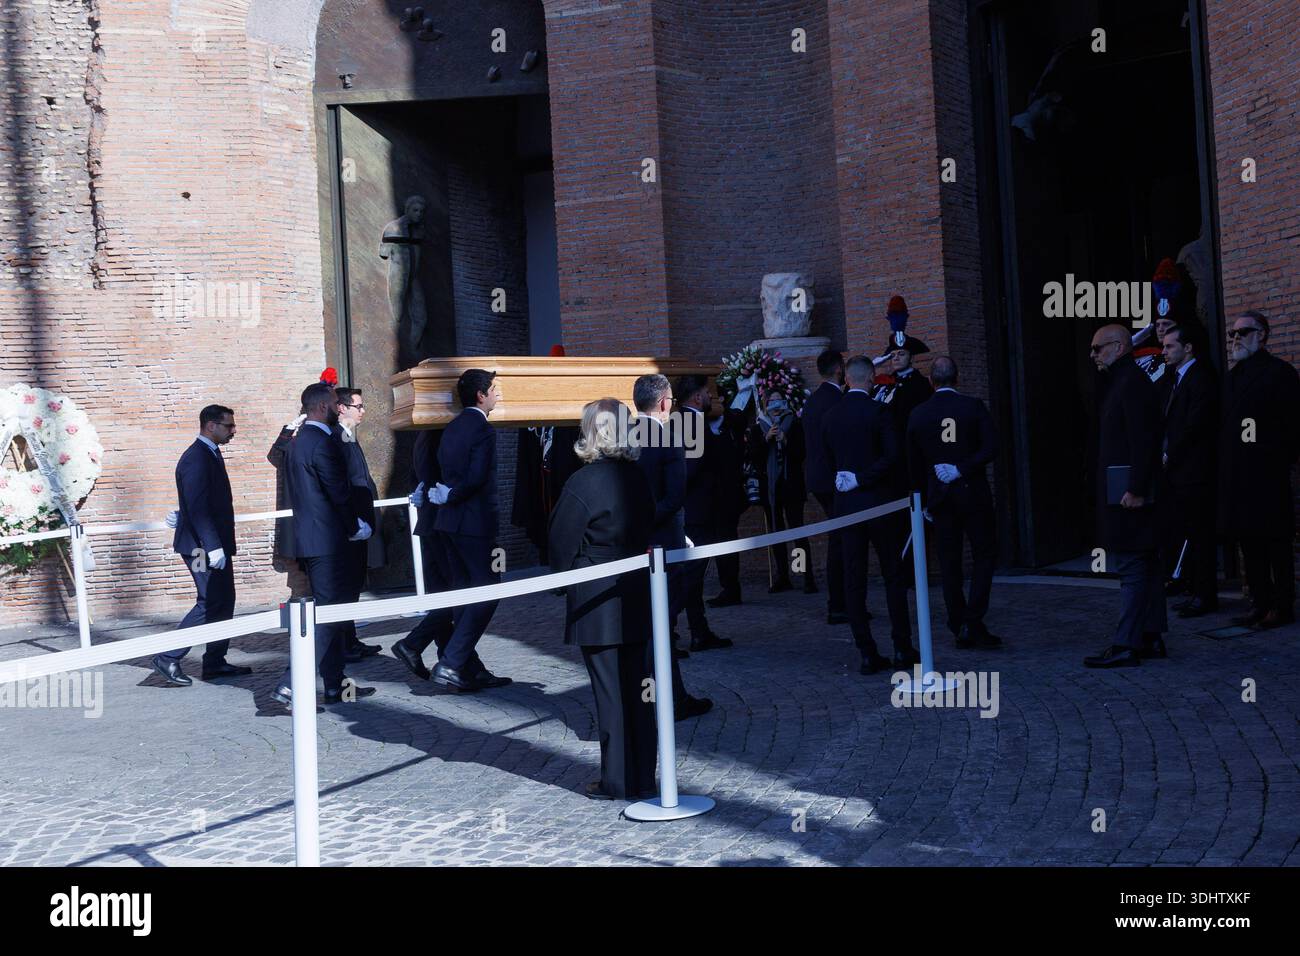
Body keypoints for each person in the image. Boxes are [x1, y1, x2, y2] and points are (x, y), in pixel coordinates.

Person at [548, 398, 659, 801]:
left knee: (611, 693)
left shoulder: (583, 482)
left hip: (597, 600)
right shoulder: (637, 476)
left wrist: (562, 581)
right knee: (639, 689)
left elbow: (560, 542)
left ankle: (617, 780)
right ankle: (644, 775)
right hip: (635, 592)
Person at [271, 382, 377, 706]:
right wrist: (355, 525)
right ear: (321, 407)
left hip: (311, 541)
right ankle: (290, 683)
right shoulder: (322, 442)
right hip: (330, 542)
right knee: (327, 617)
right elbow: (337, 490)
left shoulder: (298, 443)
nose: (338, 407)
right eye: (334, 402)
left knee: (330, 615)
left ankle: (334, 685)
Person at [824, 356, 917, 674]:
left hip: (846, 507)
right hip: (880, 505)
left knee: (854, 578)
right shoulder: (880, 411)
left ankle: (866, 651)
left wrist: (845, 478)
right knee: (893, 574)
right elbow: (893, 456)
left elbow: (825, 461)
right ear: (873, 378)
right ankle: (902, 647)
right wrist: (863, 479)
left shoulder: (832, 415)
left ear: (846, 379)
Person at [1083, 324, 1167, 668]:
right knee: (1145, 565)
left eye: (1097, 348)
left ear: (1118, 347)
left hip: (1130, 494)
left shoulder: (1131, 383)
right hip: (1128, 491)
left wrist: (1136, 488)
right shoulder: (1122, 381)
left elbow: (1144, 441)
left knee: (1133, 565)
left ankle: (1126, 644)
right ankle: (1149, 635)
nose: (1093, 355)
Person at [152, 405, 253, 686]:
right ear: (210, 425)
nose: (233, 430)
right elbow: (198, 507)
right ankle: (168, 656)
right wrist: (212, 546)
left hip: (210, 542)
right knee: (209, 601)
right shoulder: (196, 457)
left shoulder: (209, 453)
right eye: (228, 426)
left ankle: (215, 662)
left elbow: (198, 499)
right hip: (199, 547)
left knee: (224, 601)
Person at [632, 374, 712, 720]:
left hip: (631, 546)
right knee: (662, 626)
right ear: (665, 403)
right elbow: (675, 497)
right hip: (663, 544)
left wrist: (632, 524)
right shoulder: (668, 440)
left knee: (647, 626)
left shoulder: (624, 437)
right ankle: (672, 699)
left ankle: (662, 694)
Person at [906, 357, 1001, 648]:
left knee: (949, 563)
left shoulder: (919, 414)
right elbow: (991, 447)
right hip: (972, 493)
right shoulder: (972, 407)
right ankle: (973, 620)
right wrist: (962, 467)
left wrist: (921, 499)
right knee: (984, 556)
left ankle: (957, 620)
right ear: (957, 379)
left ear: (932, 381)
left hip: (940, 498)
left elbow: (912, 463)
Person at [429, 368, 511, 690]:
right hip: (475, 524)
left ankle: (463, 666)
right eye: (493, 389)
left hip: (449, 522)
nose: (497, 395)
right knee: (489, 591)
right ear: (481, 395)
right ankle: (451, 662)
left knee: (464, 594)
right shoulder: (482, 430)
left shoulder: (451, 428)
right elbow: (477, 477)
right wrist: (455, 493)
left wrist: (448, 494)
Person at [1218, 311, 1300, 628]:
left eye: (1243, 332)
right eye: (1232, 334)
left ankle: (1282, 606)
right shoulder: (1231, 377)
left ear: (1262, 334)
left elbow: (1292, 427)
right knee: (1249, 544)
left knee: (1275, 543)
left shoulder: (1280, 373)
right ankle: (1259, 602)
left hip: (1267, 476)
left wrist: (1273, 458)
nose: (1235, 338)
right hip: (1237, 478)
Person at [1158, 324, 1220, 617]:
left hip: (1195, 473)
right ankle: (1193, 588)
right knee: (1187, 532)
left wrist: (1171, 453)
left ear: (1188, 347)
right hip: (1180, 474)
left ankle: (1205, 595)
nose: (1164, 351)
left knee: (1200, 533)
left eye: (1170, 346)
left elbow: (1195, 426)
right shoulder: (1176, 379)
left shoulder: (1200, 379)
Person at [674, 375, 732, 652]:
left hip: (692, 509)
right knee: (691, 575)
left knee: (689, 575)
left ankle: (694, 630)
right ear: (697, 397)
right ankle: (681, 629)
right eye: (708, 393)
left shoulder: (678, 420)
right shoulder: (692, 423)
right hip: (697, 510)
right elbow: (691, 468)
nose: (712, 398)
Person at [333, 386, 383, 661]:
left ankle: (350, 639)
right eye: (358, 406)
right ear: (341, 408)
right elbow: (344, 485)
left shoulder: (349, 436)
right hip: (350, 527)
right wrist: (353, 523)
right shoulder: (339, 437)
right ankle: (343, 644)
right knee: (345, 586)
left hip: (360, 523)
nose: (363, 411)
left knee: (353, 586)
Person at [747, 392, 814, 594]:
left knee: (797, 531)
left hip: (790, 485)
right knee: (776, 532)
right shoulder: (759, 427)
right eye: (771, 400)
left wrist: (785, 440)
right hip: (771, 488)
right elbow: (753, 456)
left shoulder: (794, 423)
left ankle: (804, 574)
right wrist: (766, 439)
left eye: (779, 400)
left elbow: (801, 453)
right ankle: (783, 576)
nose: (775, 405)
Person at [801, 349, 848, 624]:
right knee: (841, 542)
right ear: (839, 370)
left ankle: (842, 602)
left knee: (839, 539)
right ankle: (839, 603)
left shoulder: (814, 400)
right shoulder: (836, 401)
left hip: (818, 477)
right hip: (834, 479)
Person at [706, 407, 749, 608]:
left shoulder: (732, 424)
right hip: (716, 496)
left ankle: (731, 588)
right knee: (720, 542)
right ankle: (729, 587)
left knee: (726, 542)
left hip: (727, 496)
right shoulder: (702, 425)